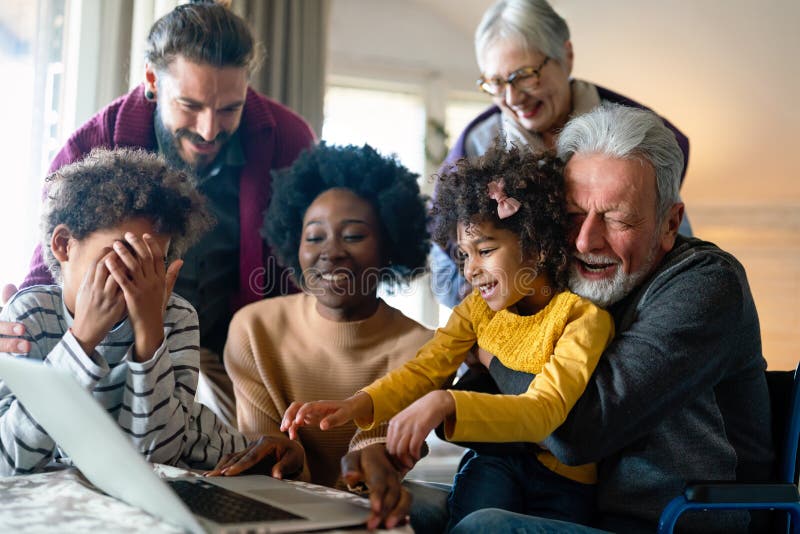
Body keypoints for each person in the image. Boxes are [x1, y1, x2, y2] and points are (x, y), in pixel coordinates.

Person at [333, 103, 774, 534]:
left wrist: (488, 351)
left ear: (669, 224)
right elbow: (478, 391)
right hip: (567, 508)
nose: (585, 240)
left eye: (618, 219)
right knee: (372, 510)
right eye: (573, 215)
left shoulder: (704, 284)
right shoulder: (567, 273)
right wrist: (386, 436)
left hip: (667, 523)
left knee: (485, 526)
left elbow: (577, 433)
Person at [5, 2, 315, 426]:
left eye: (229, 108)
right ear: (152, 80)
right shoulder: (91, 147)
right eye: (190, 105)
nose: (209, 130)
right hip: (123, 343)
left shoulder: (289, 139)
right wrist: (19, 322)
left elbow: (300, 270)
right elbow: (54, 269)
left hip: (239, 348)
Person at [283, 147, 615, 530]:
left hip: (563, 486)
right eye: (464, 256)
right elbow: (426, 370)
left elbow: (544, 412)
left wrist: (448, 401)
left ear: (537, 247)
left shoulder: (581, 319)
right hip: (493, 462)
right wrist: (354, 404)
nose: (471, 270)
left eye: (485, 251)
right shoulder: (476, 310)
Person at [0, 148, 259, 475]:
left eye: (154, 263)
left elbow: (156, 458)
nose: (138, 280)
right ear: (64, 244)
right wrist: (81, 339)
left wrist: (150, 332)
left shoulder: (176, 319)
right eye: (122, 256)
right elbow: (8, 460)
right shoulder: (29, 317)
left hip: (218, 462)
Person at [220, 143, 433, 530]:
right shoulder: (253, 329)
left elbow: (375, 462)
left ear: (389, 245)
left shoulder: (421, 349)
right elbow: (263, 463)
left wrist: (372, 464)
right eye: (315, 237)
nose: (332, 252)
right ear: (295, 245)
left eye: (353, 236)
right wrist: (286, 459)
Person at [431, 0, 692, 307]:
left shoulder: (635, 134)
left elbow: (671, 242)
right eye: (496, 83)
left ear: (566, 56)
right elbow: (447, 274)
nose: (513, 98)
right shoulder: (477, 147)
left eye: (525, 75)